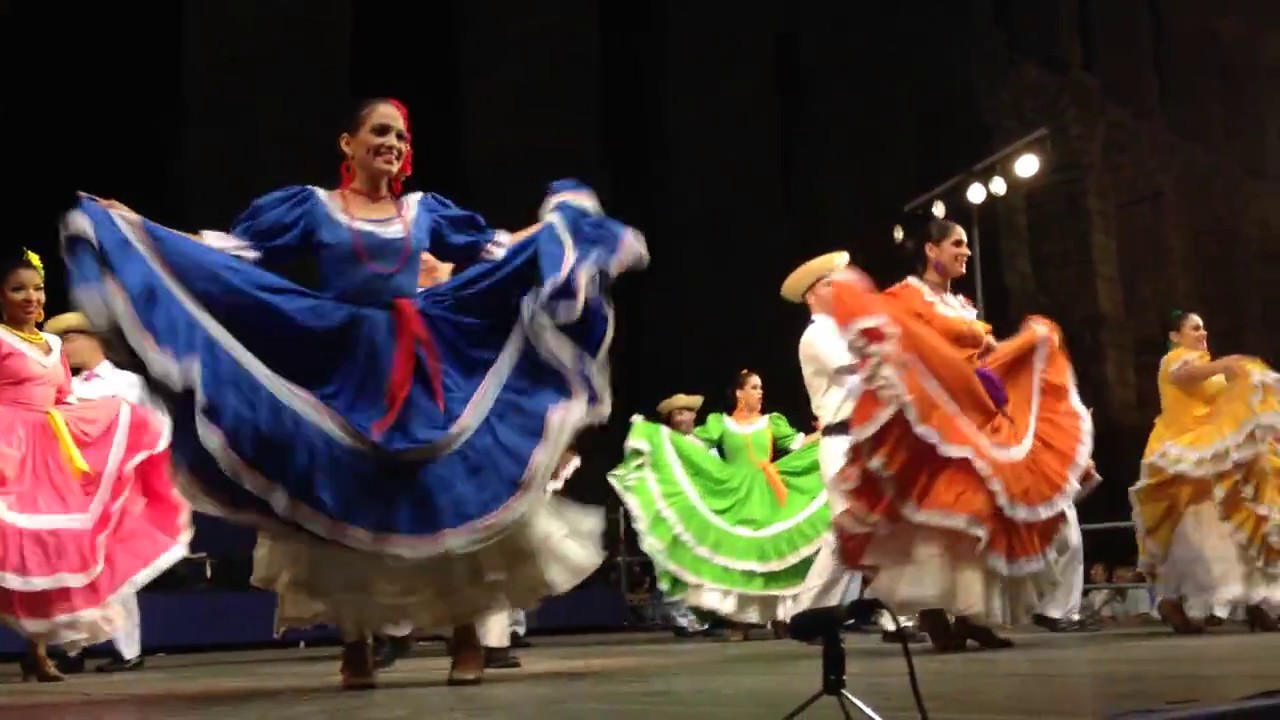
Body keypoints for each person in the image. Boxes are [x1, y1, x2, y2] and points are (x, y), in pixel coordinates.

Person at [60, 97, 648, 688]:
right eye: (379, 131)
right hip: (341, 358)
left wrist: (558, 229)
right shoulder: (310, 209)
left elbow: (496, 250)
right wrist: (138, 228)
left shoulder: (423, 212)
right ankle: (356, 642)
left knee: (438, 487)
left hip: (421, 359)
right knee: (345, 487)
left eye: (401, 136)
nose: (392, 143)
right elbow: (228, 254)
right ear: (349, 143)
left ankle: (465, 636)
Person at [821, 216, 1095, 652]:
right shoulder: (905, 297)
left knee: (977, 515)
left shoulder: (962, 306)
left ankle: (971, 614)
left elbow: (978, 359)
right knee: (935, 517)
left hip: (974, 421)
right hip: (930, 428)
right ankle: (933, 616)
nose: (965, 252)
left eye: (966, 245)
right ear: (931, 250)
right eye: (957, 244)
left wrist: (1024, 344)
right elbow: (905, 347)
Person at [0, 248, 191, 682]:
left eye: (36, 288)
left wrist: (107, 420)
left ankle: (39, 653)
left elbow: (62, 398)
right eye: (18, 289)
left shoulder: (51, 345)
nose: (30, 297)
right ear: (2, 296)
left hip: (46, 450)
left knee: (45, 550)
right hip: (7, 445)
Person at [608, 371, 826, 641]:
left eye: (761, 388)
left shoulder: (772, 422)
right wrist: (663, 441)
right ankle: (740, 621)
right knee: (740, 556)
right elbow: (694, 446)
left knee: (769, 553)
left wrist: (826, 433)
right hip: (733, 490)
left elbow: (798, 444)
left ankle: (780, 617)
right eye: (754, 388)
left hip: (769, 490)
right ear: (739, 393)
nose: (760, 393)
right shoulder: (720, 423)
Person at [781, 252, 920, 645]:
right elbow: (862, 369)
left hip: (865, 440)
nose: (840, 289)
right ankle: (809, 615)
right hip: (842, 442)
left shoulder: (844, 330)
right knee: (853, 535)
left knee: (871, 532)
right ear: (812, 295)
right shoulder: (818, 334)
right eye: (830, 284)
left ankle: (817, 615)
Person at [1129, 310, 1280, 633]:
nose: (1202, 333)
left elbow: (1228, 405)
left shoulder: (1209, 370)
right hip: (1185, 452)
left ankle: (1257, 603)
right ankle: (1171, 600)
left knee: (1240, 520)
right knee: (1196, 531)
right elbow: (1186, 376)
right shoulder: (1175, 361)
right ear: (1175, 336)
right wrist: (1225, 365)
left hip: (1213, 453)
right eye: (1194, 328)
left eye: (1203, 327)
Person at [44, 311, 160, 672]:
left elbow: (154, 429)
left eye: (70, 341)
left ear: (91, 338)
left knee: (115, 567)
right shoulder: (68, 388)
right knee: (71, 569)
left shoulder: (129, 383)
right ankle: (72, 649)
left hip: (119, 485)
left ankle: (128, 650)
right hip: (74, 491)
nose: (66, 350)